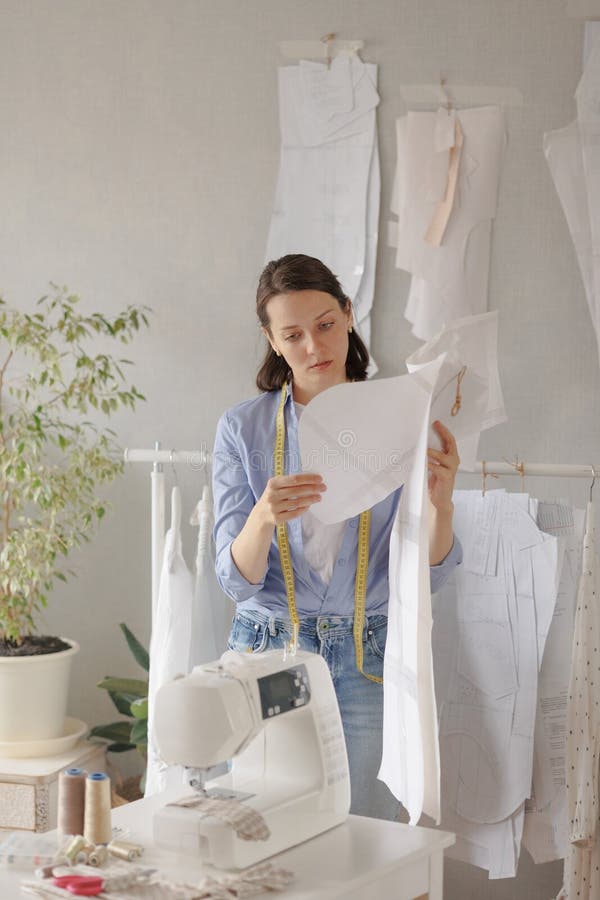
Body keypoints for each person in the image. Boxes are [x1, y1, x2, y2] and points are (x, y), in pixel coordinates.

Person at [212, 253, 462, 821]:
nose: (313, 347)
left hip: (367, 656)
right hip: (268, 650)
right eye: (292, 334)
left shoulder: (401, 415)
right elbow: (233, 580)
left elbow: (434, 573)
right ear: (272, 341)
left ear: (349, 316)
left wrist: (441, 507)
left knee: (366, 838)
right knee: (262, 829)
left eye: (325, 325)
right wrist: (262, 517)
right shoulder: (242, 429)